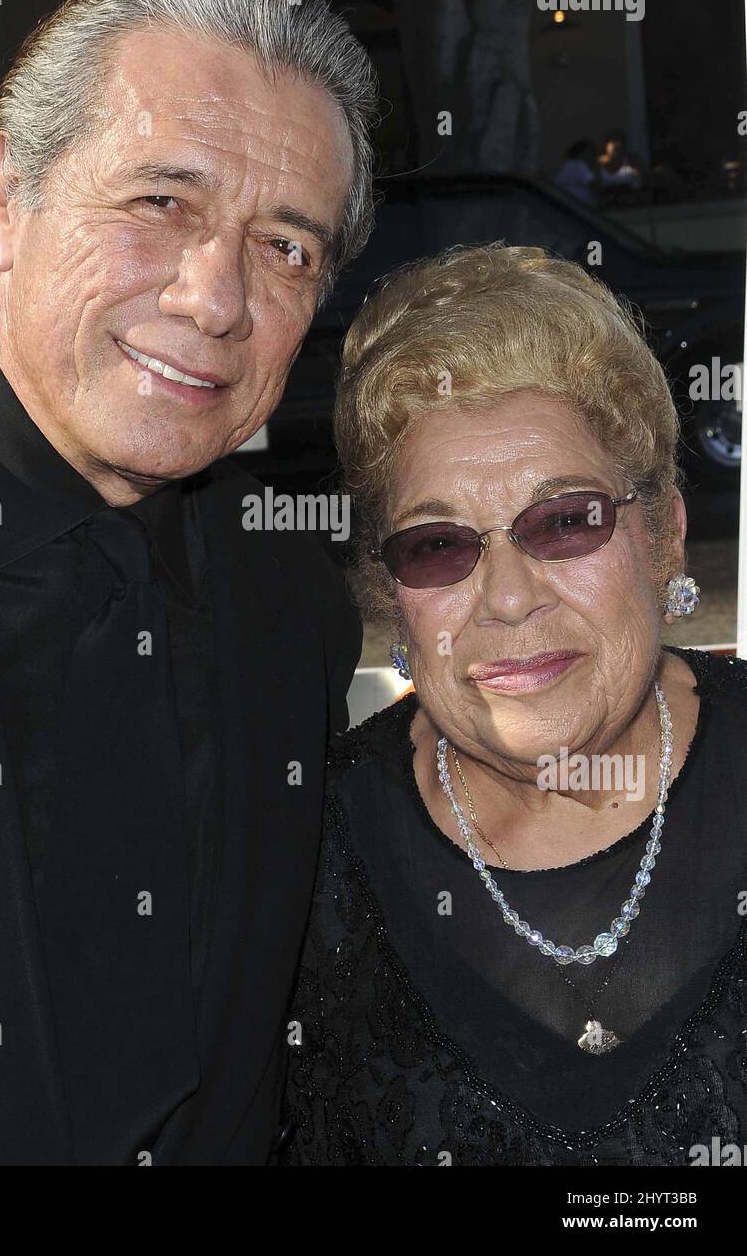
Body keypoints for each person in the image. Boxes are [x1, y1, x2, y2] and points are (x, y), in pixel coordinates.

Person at [0, 0, 377, 1165]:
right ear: (9, 194)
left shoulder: (292, 600)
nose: (215, 297)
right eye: (161, 202)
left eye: (286, 247)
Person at [282, 243, 747, 1166]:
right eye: (438, 545)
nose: (505, 596)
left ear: (665, 536)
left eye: (564, 521)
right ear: (391, 597)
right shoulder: (296, 854)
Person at [554, 139, 598, 206]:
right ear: (581, 152)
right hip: (578, 209)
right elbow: (594, 186)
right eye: (589, 152)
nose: (592, 156)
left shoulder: (567, 165)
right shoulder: (579, 165)